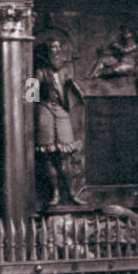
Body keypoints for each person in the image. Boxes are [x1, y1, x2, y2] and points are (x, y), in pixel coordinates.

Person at [34, 38, 85, 207]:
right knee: (48, 155)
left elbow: (72, 85)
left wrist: (79, 91)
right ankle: (55, 193)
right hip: (45, 111)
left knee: (67, 153)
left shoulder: (65, 71)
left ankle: (71, 193)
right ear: (47, 55)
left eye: (58, 51)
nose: (56, 54)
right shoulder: (40, 72)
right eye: (53, 51)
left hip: (61, 111)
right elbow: (29, 95)